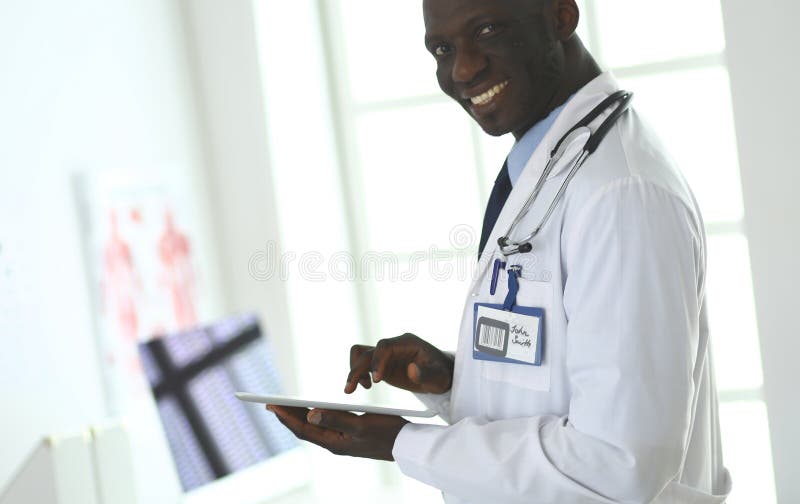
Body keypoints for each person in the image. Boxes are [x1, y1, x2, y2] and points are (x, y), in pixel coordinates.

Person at [266, 0, 732, 502]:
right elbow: (564, 378)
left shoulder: (621, 192)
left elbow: (620, 462)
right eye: (442, 49)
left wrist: (403, 443)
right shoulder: (552, 165)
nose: (462, 69)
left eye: (487, 30)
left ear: (561, 15)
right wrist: (454, 381)